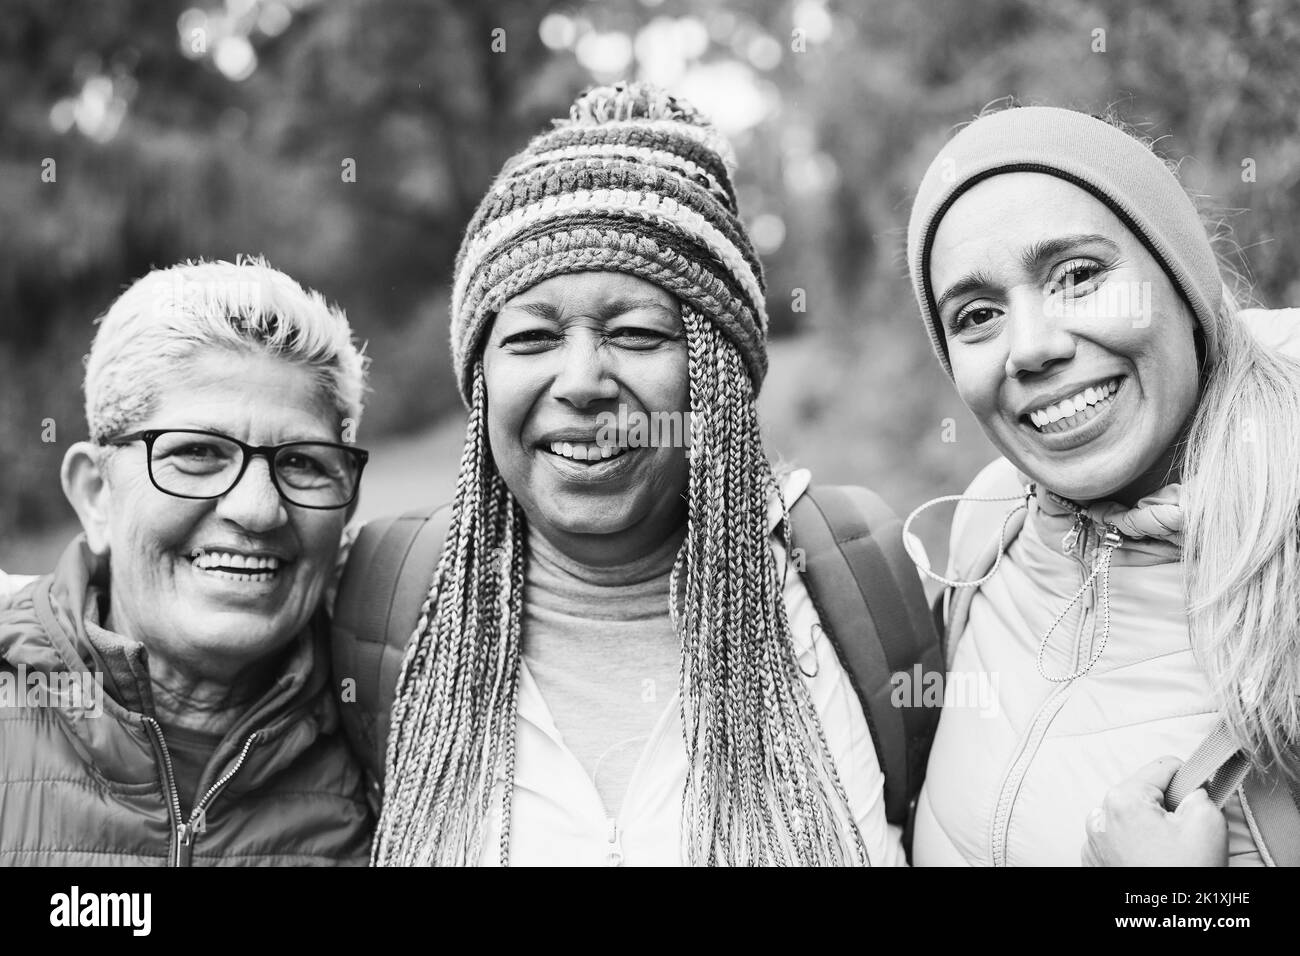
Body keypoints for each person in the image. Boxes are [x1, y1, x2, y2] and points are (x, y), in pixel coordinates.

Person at [359, 82, 916, 867]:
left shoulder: (866, 594)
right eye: (531, 339)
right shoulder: (384, 618)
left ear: (718, 375)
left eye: (636, 332)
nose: (582, 380)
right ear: (480, 379)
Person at [903, 104, 1300, 866]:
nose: (1032, 348)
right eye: (978, 315)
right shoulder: (989, 525)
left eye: (1079, 276)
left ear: (1182, 282)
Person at [0, 257, 375, 865]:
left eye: (303, 462)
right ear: (96, 494)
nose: (258, 511)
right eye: (198, 452)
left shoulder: (399, 741)